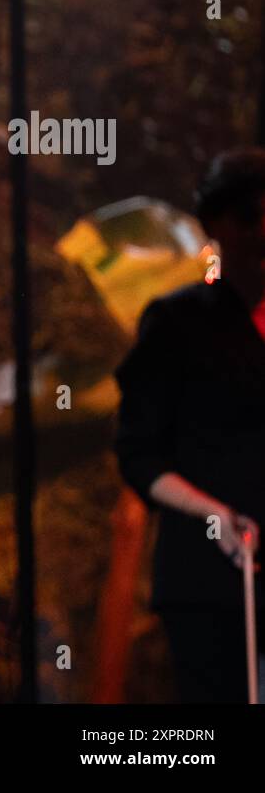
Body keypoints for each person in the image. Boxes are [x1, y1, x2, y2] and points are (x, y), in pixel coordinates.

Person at [114, 148, 265, 703]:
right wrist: (215, 515)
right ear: (222, 225)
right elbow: (138, 454)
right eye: (251, 219)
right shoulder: (177, 322)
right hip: (210, 585)